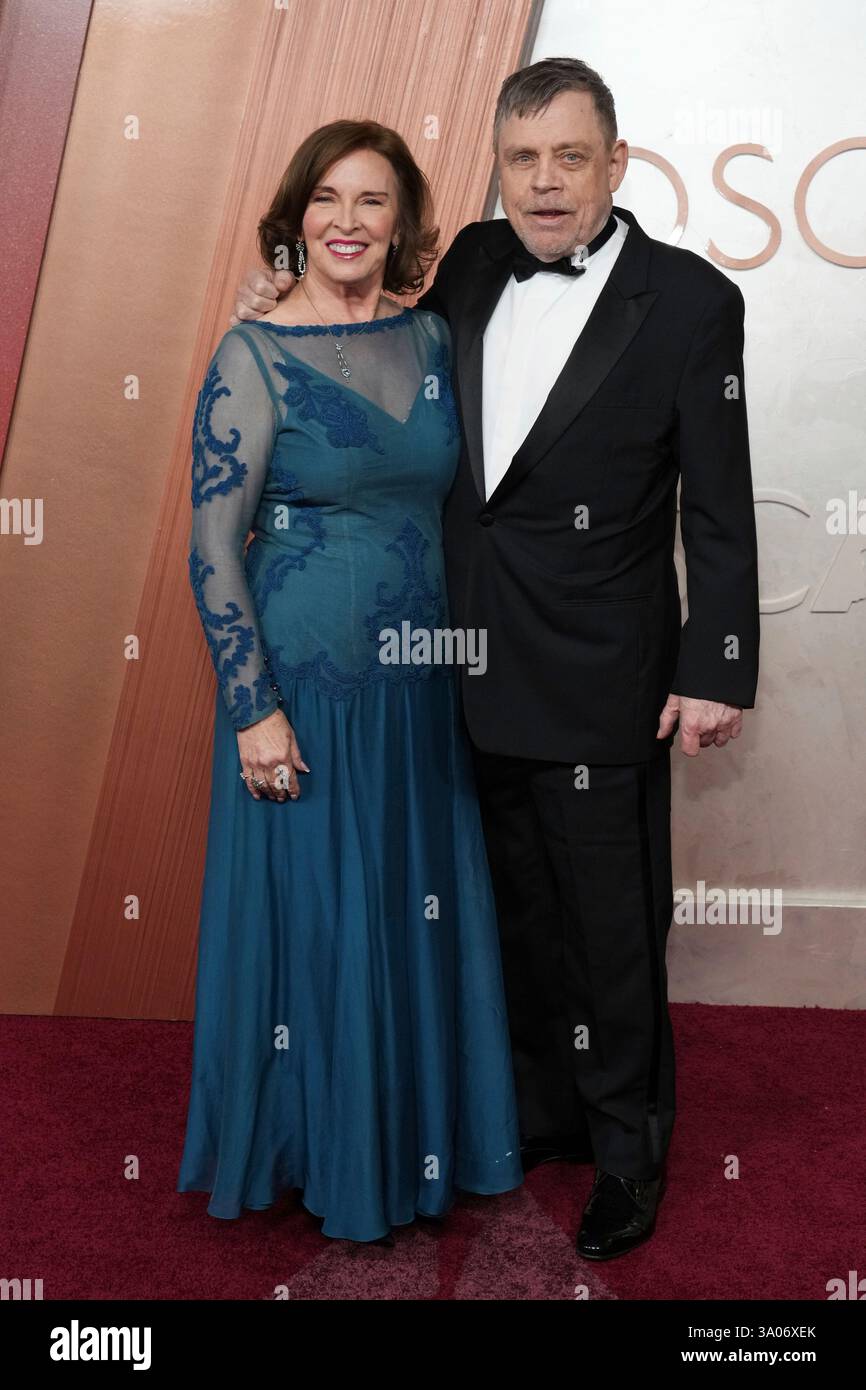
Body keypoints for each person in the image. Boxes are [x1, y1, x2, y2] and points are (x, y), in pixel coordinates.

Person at [234, 58, 761, 1260]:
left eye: (567, 158)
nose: (541, 183)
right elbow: (348, 302)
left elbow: (719, 507)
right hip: (455, 665)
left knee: (610, 927)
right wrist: (274, 298)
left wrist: (716, 663)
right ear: (497, 167)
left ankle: (628, 1150)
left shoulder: (687, 303)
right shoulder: (471, 260)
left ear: (614, 164)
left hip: (600, 672)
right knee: (509, 911)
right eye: (520, 159)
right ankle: (540, 1114)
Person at [177, 119, 524, 1245]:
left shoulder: (434, 339)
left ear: (401, 223)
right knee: (321, 919)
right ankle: (319, 1148)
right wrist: (252, 707)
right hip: (305, 690)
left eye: (372, 201)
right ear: (294, 214)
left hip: (421, 689)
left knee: (408, 906)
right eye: (327, 197)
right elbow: (213, 546)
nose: (346, 220)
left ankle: (414, 1137)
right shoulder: (250, 351)